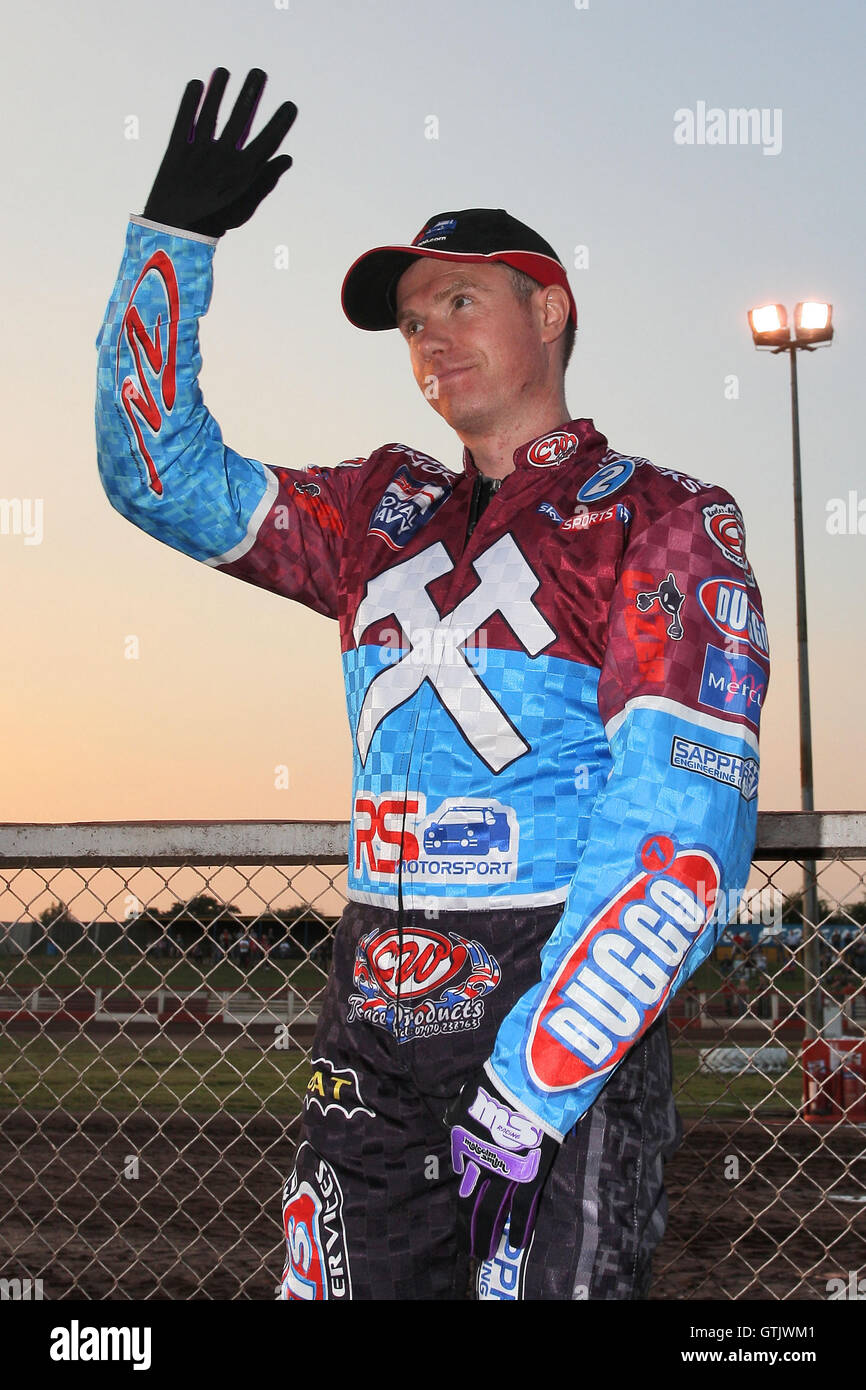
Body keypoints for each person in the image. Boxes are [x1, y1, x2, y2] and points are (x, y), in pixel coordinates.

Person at [95, 68, 770, 1300]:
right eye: (411, 321)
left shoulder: (661, 519)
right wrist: (172, 243)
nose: (431, 341)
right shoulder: (374, 510)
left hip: (545, 1013)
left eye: (460, 301)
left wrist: (531, 1087)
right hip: (370, 1011)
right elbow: (158, 478)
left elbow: (679, 833)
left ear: (550, 311)